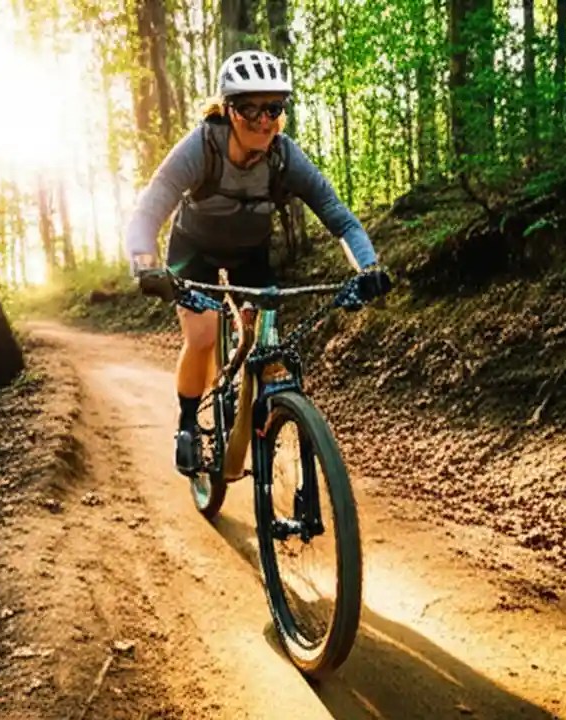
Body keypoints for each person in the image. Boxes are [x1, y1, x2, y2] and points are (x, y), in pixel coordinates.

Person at [123, 49, 391, 475]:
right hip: (195, 252)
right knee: (204, 335)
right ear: (228, 110)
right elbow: (147, 212)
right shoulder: (201, 148)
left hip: (251, 253)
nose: (263, 120)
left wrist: (368, 268)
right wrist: (144, 264)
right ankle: (190, 422)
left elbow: (338, 217)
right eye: (249, 108)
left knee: (267, 346)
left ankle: (268, 416)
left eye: (273, 108)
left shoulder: (284, 156)